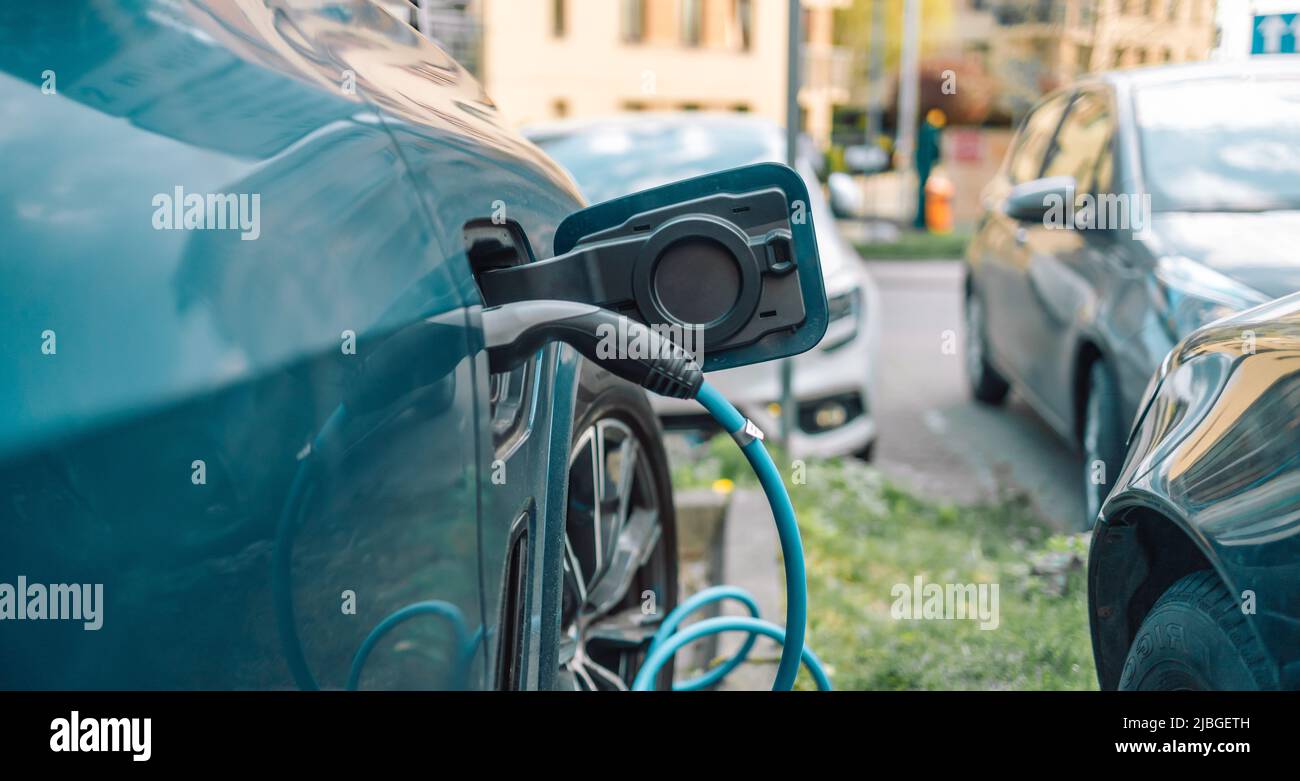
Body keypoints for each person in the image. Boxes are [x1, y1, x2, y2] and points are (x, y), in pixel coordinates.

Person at [914, 107, 946, 231]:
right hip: (925, 167)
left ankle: (922, 221)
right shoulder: (931, 132)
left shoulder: (924, 130)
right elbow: (933, 151)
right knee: (925, 193)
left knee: (923, 193)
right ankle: (922, 221)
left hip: (922, 166)